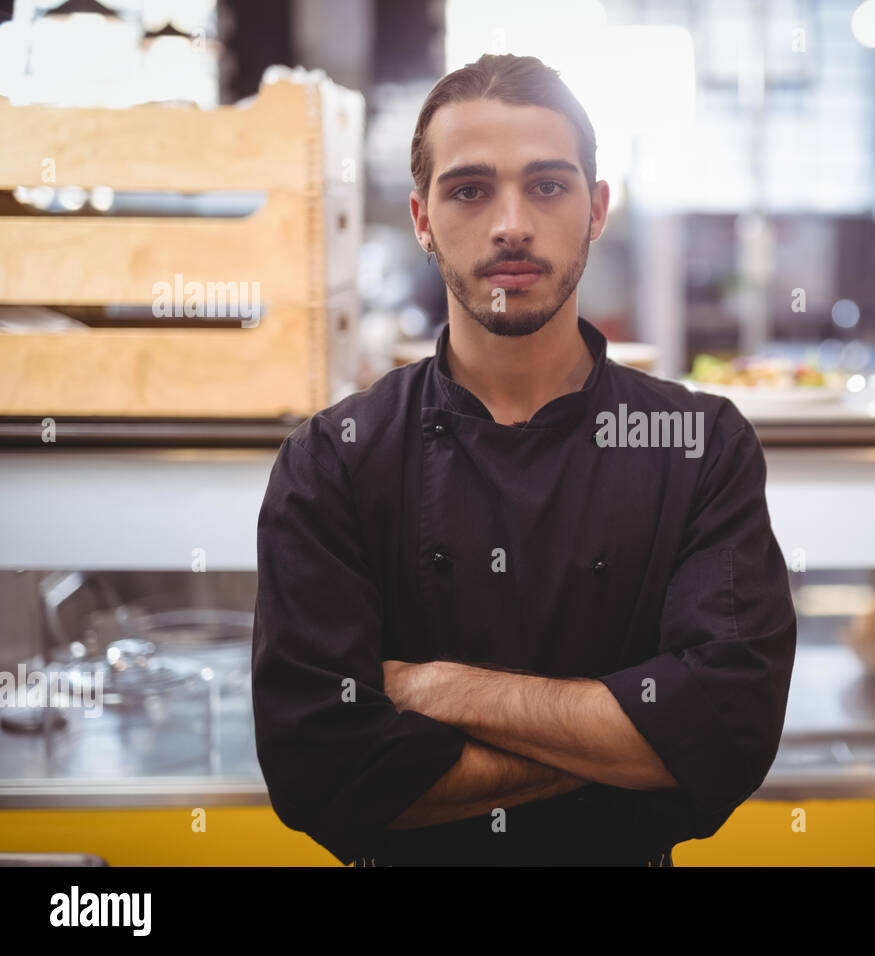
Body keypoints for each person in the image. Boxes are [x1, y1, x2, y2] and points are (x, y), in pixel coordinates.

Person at [251, 53, 797, 867]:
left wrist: (443, 691)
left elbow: (729, 726)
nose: (512, 223)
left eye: (548, 185)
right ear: (421, 218)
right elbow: (319, 770)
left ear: (596, 210)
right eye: (470, 189)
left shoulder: (701, 444)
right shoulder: (334, 460)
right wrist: (631, 745)